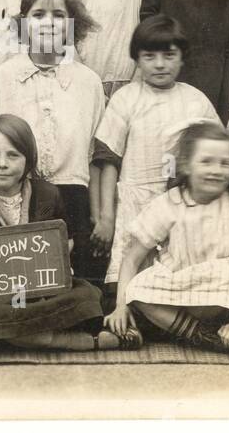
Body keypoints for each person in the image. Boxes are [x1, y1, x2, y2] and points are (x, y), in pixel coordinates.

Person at [0, 116, 128, 358]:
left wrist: (58, 260)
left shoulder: (48, 195)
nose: (2, 164)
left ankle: (2, 338)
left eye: (13, 155)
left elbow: (66, 238)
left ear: (28, 160)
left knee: (87, 296)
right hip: (0, 297)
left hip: (44, 293)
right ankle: (78, 341)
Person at [104, 120, 229, 359]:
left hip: (225, 298)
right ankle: (204, 337)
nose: (216, 170)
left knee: (227, 272)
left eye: (225, 163)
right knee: (137, 287)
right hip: (181, 288)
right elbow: (131, 260)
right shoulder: (170, 203)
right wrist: (121, 306)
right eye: (206, 161)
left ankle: (224, 333)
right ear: (186, 165)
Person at [0, 0, 106, 281]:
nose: (49, 23)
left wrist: (99, 214)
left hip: (73, 195)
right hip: (16, 191)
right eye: (38, 14)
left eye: (58, 15)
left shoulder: (88, 82)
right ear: (23, 23)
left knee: (74, 278)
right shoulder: (2, 78)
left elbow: (94, 155)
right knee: (21, 276)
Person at [94, 15, 220, 292]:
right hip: (134, 201)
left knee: (176, 275)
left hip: (180, 202)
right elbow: (108, 160)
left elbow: (217, 151)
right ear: (137, 59)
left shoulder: (195, 100)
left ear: (182, 57)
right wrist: (106, 216)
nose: (160, 64)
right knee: (130, 277)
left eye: (169, 55)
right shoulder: (126, 99)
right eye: (149, 56)